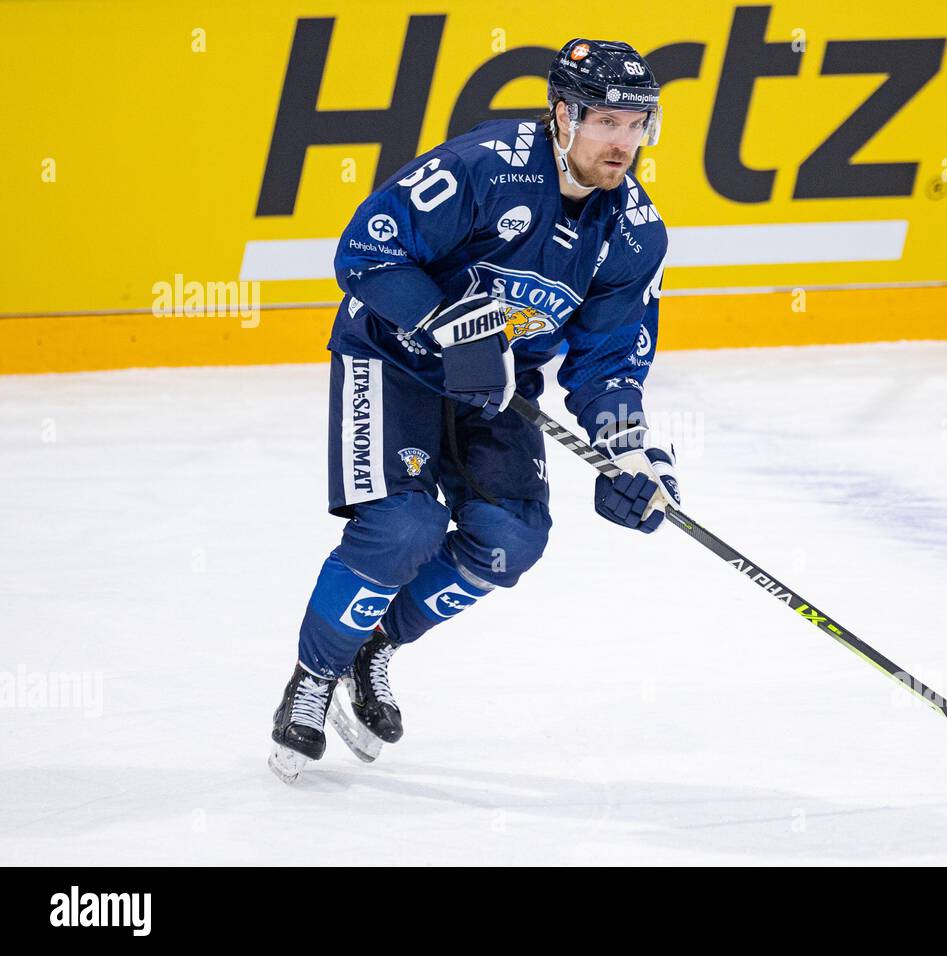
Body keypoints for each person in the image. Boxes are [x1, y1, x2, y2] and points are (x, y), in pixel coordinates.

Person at [269, 38, 677, 783]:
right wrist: (451, 326)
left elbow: (609, 358)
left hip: (495, 384)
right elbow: (367, 251)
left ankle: (373, 645)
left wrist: (627, 448)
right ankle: (313, 675)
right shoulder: (488, 167)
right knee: (405, 525)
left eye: (636, 123)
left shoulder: (634, 232)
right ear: (563, 115)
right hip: (391, 359)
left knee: (511, 539)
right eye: (607, 122)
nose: (623, 142)